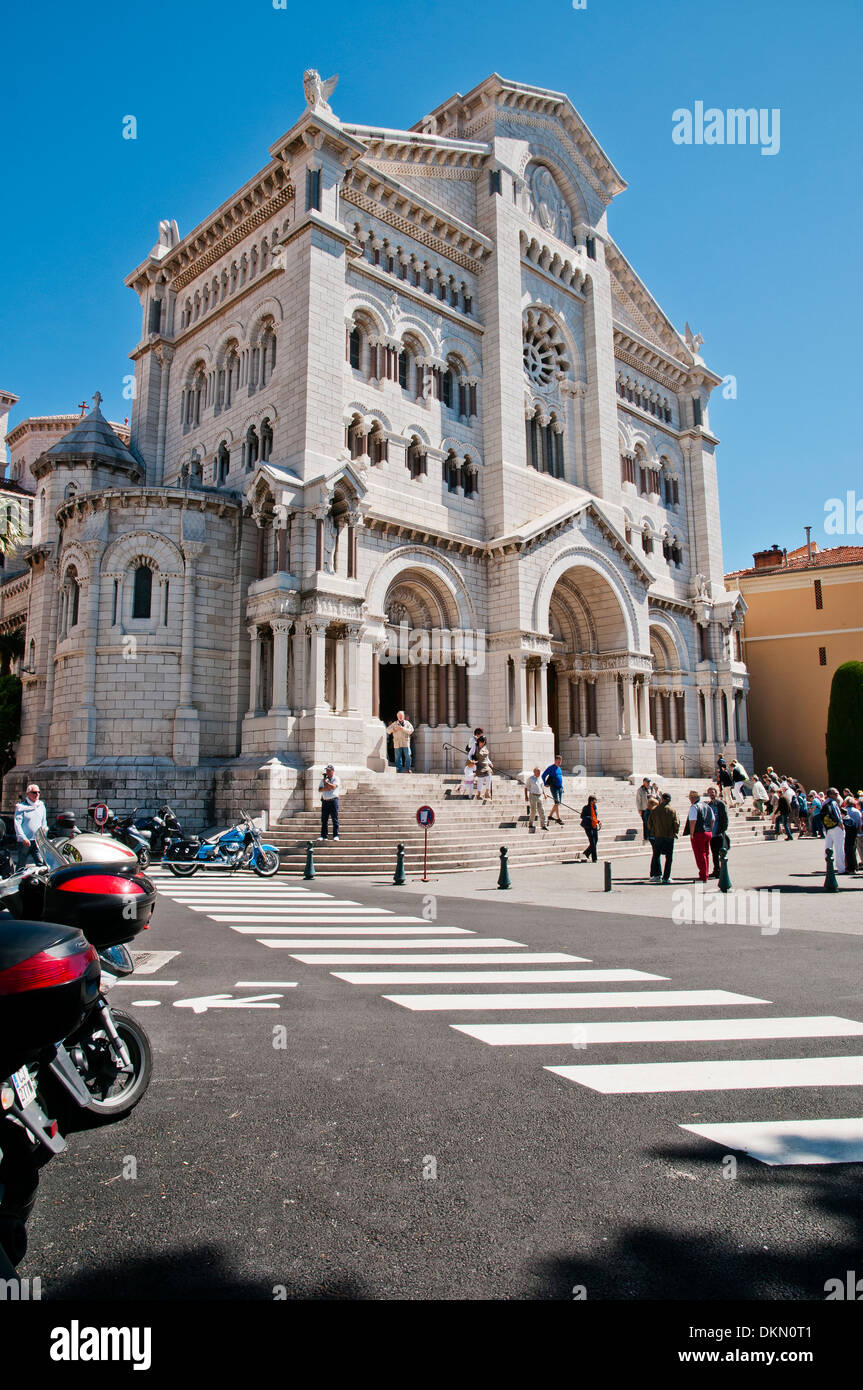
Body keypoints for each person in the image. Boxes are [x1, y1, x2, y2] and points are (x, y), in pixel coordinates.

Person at [683, 789, 715, 883]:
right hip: (708, 832)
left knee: (699, 854)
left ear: (692, 798)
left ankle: (703, 876)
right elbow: (713, 819)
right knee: (706, 854)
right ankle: (705, 873)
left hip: (699, 833)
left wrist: (692, 833)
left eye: (690, 798)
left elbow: (693, 821)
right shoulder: (707, 806)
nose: (689, 799)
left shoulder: (694, 807)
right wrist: (710, 829)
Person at [14, 783, 48, 870]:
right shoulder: (21, 807)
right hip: (25, 842)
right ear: (28, 793)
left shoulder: (41, 805)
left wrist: (44, 831)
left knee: (41, 864)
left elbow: (44, 822)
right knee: (21, 865)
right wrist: (23, 838)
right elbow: (17, 824)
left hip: (37, 840)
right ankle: (18, 881)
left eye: (38, 792)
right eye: (34, 792)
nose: (37, 794)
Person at [647, 793, 679, 884]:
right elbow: (676, 823)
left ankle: (657, 875)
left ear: (662, 799)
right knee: (669, 857)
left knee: (656, 855)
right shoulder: (672, 810)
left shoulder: (655, 810)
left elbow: (650, 823)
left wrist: (654, 830)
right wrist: (674, 832)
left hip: (658, 835)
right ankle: (666, 877)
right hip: (669, 836)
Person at [705, 785, 729, 878]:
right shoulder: (708, 805)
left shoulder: (720, 804)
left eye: (713, 792)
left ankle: (723, 870)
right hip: (712, 834)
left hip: (719, 833)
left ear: (716, 793)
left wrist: (722, 830)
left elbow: (725, 819)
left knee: (721, 853)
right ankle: (716, 870)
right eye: (709, 792)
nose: (711, 794)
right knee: (714, 854)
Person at [821, 788, 846, 873]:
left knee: (828, 848)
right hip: (836, 827)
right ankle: (841, 869)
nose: (837, 795)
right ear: (830, 794)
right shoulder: (833, 803)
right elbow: (837, 814)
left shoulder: (824, 803)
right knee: (839, 848)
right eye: (835, 793)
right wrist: (840, 824)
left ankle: (829, 867)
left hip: (827, 828)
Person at [318, 764, 340, 841]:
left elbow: (334, 787)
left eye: (328, 770)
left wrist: (327, 784)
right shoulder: (323, 779)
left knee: (335, 818)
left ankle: (336, 835)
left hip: (333, 800)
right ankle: (323, 836)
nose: (327, 772)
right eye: (326, 770)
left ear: (332, 771)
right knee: (324, 819)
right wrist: (327, 787)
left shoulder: (336, 778)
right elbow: (320, 789)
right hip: (325, 801)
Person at [542, 755, 565, 826]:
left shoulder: (559, 768)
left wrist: (562, 787)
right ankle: (558, 818)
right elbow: (543, 775)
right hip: (554, 787)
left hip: (560, 787)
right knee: (557, 803)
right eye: (558, 761)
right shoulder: (551, 768)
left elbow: (560, 778)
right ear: (555, 760)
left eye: (560, 761)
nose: (559, 762)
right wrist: (545, 783)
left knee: (558, 803)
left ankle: (550, 816)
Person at [526, 767, 548, 832]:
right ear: (534, 772)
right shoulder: (530, 779)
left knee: (542, 810)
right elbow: (526, 787)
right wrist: (526, 796)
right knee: (533, 811)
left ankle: (543, 825)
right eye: (537, 771)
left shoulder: (540, 779)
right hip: (533, 795)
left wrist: (544, 794)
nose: (539, 773)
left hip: (539, 796)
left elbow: (541, 787)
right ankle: (530, 823)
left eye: (539, 771)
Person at [580, 794, 601, 862]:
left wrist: (598, 821)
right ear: (590, 801)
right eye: (594, 802)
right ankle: (594, 858)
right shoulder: (585, 808)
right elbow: (582, 816)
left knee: (596, 840)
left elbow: (595, 817)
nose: (595, 803)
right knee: (592, 842)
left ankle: (587, 852)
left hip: (594, 825)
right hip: (588, 826)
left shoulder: (594, 807)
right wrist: (589, 817)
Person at [843, 797, 861, 875]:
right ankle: (855, 865)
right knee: (854, 849)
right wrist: (857, 831)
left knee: (848, 850)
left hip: (846, 832)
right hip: (855, 832)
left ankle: (850, 867)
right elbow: (860, 823)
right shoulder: (857, 811)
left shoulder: (844, 811)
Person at [474, 737, 493, 801]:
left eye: (483, 743)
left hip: (486, 765)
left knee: (489, 776)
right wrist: (472, 761)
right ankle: (478, 794)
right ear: (479, 742)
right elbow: (470, 754)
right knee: (480, 779)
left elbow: (486, 758)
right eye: (481, 742)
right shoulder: (475, 747)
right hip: (479, 765)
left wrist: (490, 763)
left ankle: (487, 792)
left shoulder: (485, 748)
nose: (482, 744)